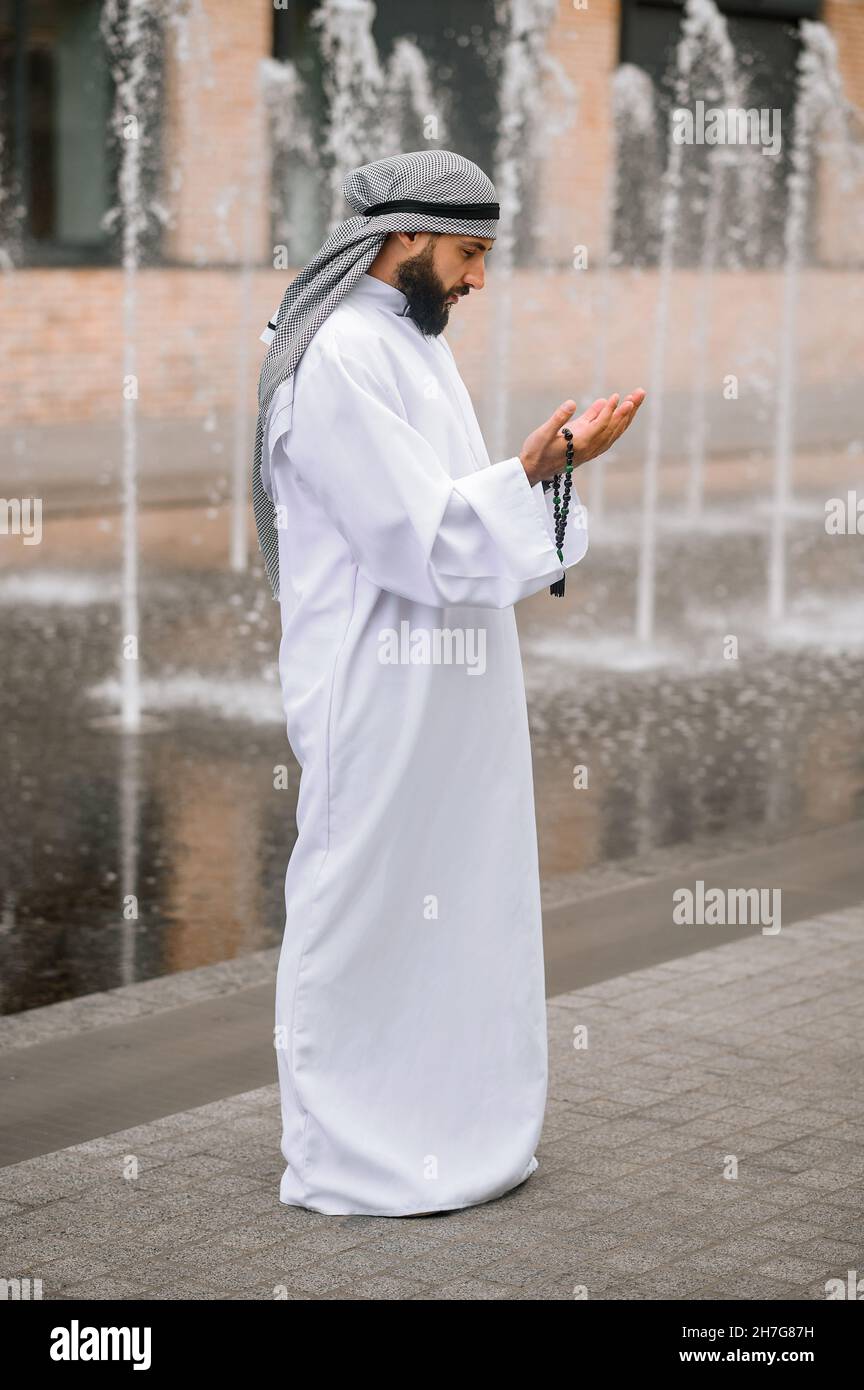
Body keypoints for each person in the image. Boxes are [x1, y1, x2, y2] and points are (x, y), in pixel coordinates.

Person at [254, 150, 645, 1217]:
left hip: (448, 684)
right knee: (360, 901)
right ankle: (349, 1152)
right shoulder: (340, 353)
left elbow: (443, 508)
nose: (476, 280)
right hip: (376, 682)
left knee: (457, 891)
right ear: (410, 236)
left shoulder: (407, 341)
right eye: (468, 254)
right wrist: (532, 475)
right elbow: (410, 533)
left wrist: (539, 473)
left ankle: (450, 1126)